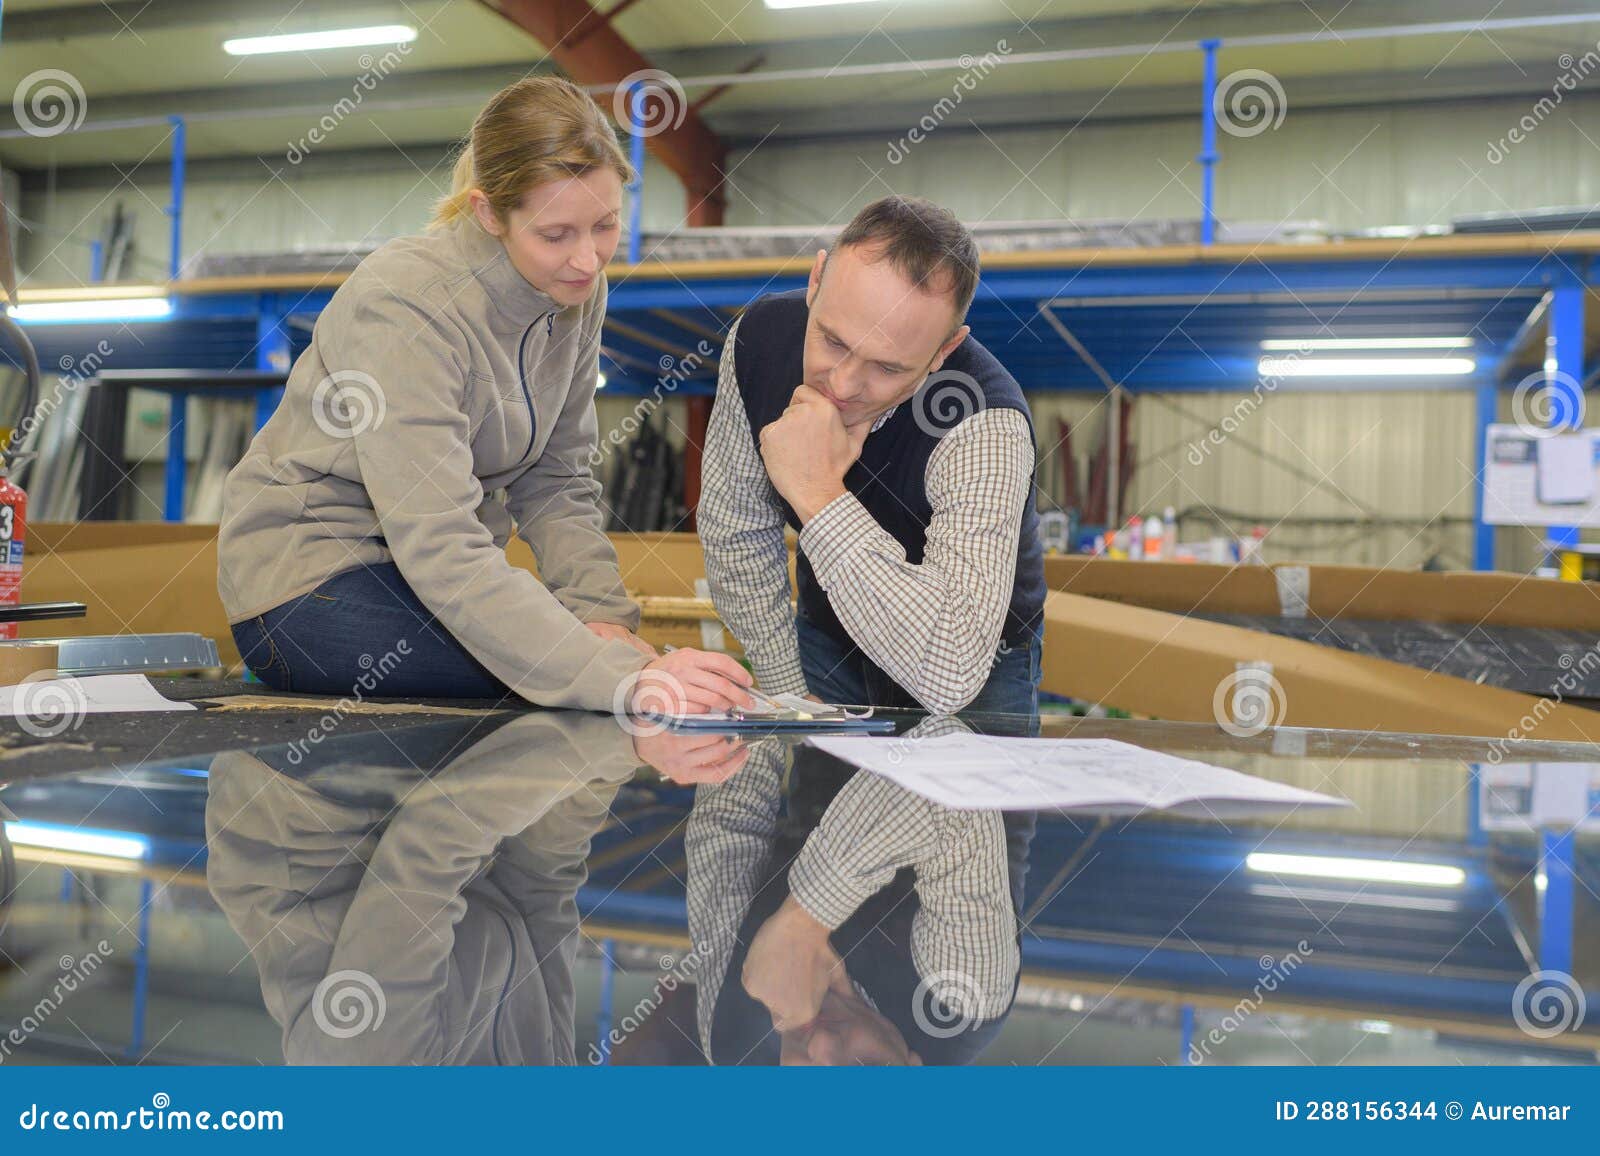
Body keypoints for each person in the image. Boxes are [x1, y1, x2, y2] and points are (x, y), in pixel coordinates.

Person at [218, 77, 749, 713]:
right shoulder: (405, 301)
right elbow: (438, 542)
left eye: (605, 225)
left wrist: (605, 622)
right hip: (308, 585)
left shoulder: (577, 292)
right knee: (537, 679)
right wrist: (625, 676)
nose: (587, 258)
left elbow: (556, 480)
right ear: (488, 212)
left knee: (567, 667)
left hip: (425, 580)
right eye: (556, 235)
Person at [698, 195, 1043, 719]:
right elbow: (736, 529)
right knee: (817, 795)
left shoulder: (985, 421)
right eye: (832, 341)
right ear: (816, 280)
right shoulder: (756, 345)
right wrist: (789, 691)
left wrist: (817, 492)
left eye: (886, 368)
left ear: (943, 352)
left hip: (978, 666)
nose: (842, 384)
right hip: (828, 639)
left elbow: (951, 668)